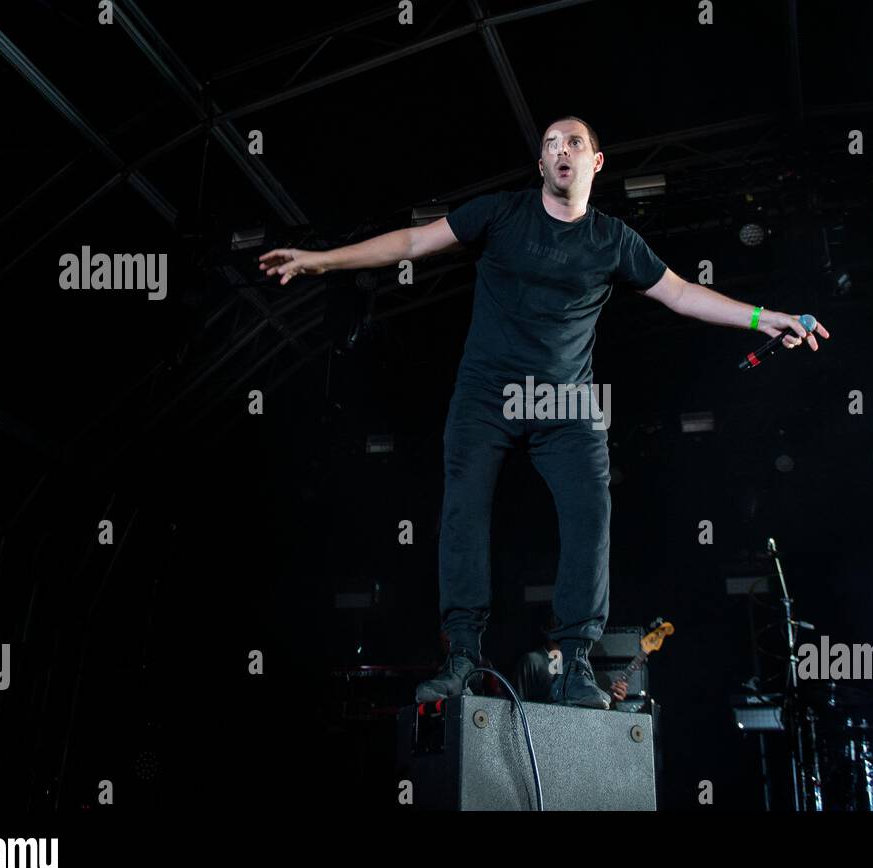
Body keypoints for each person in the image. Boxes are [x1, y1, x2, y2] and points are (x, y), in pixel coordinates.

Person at [260, 115, 829, 711]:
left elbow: (682, 293)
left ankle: (574, 661)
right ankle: (461, 656)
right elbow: (411, 243)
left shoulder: (613, 240)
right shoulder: (500, 213)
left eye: (574, 142)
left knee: (591, 511)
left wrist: (766, 318)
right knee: (463, 510)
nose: (561, 150)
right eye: (551, 144)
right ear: (541, 165)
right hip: (486, 394)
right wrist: (322, 261)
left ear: (595, 162)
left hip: (565, 401)